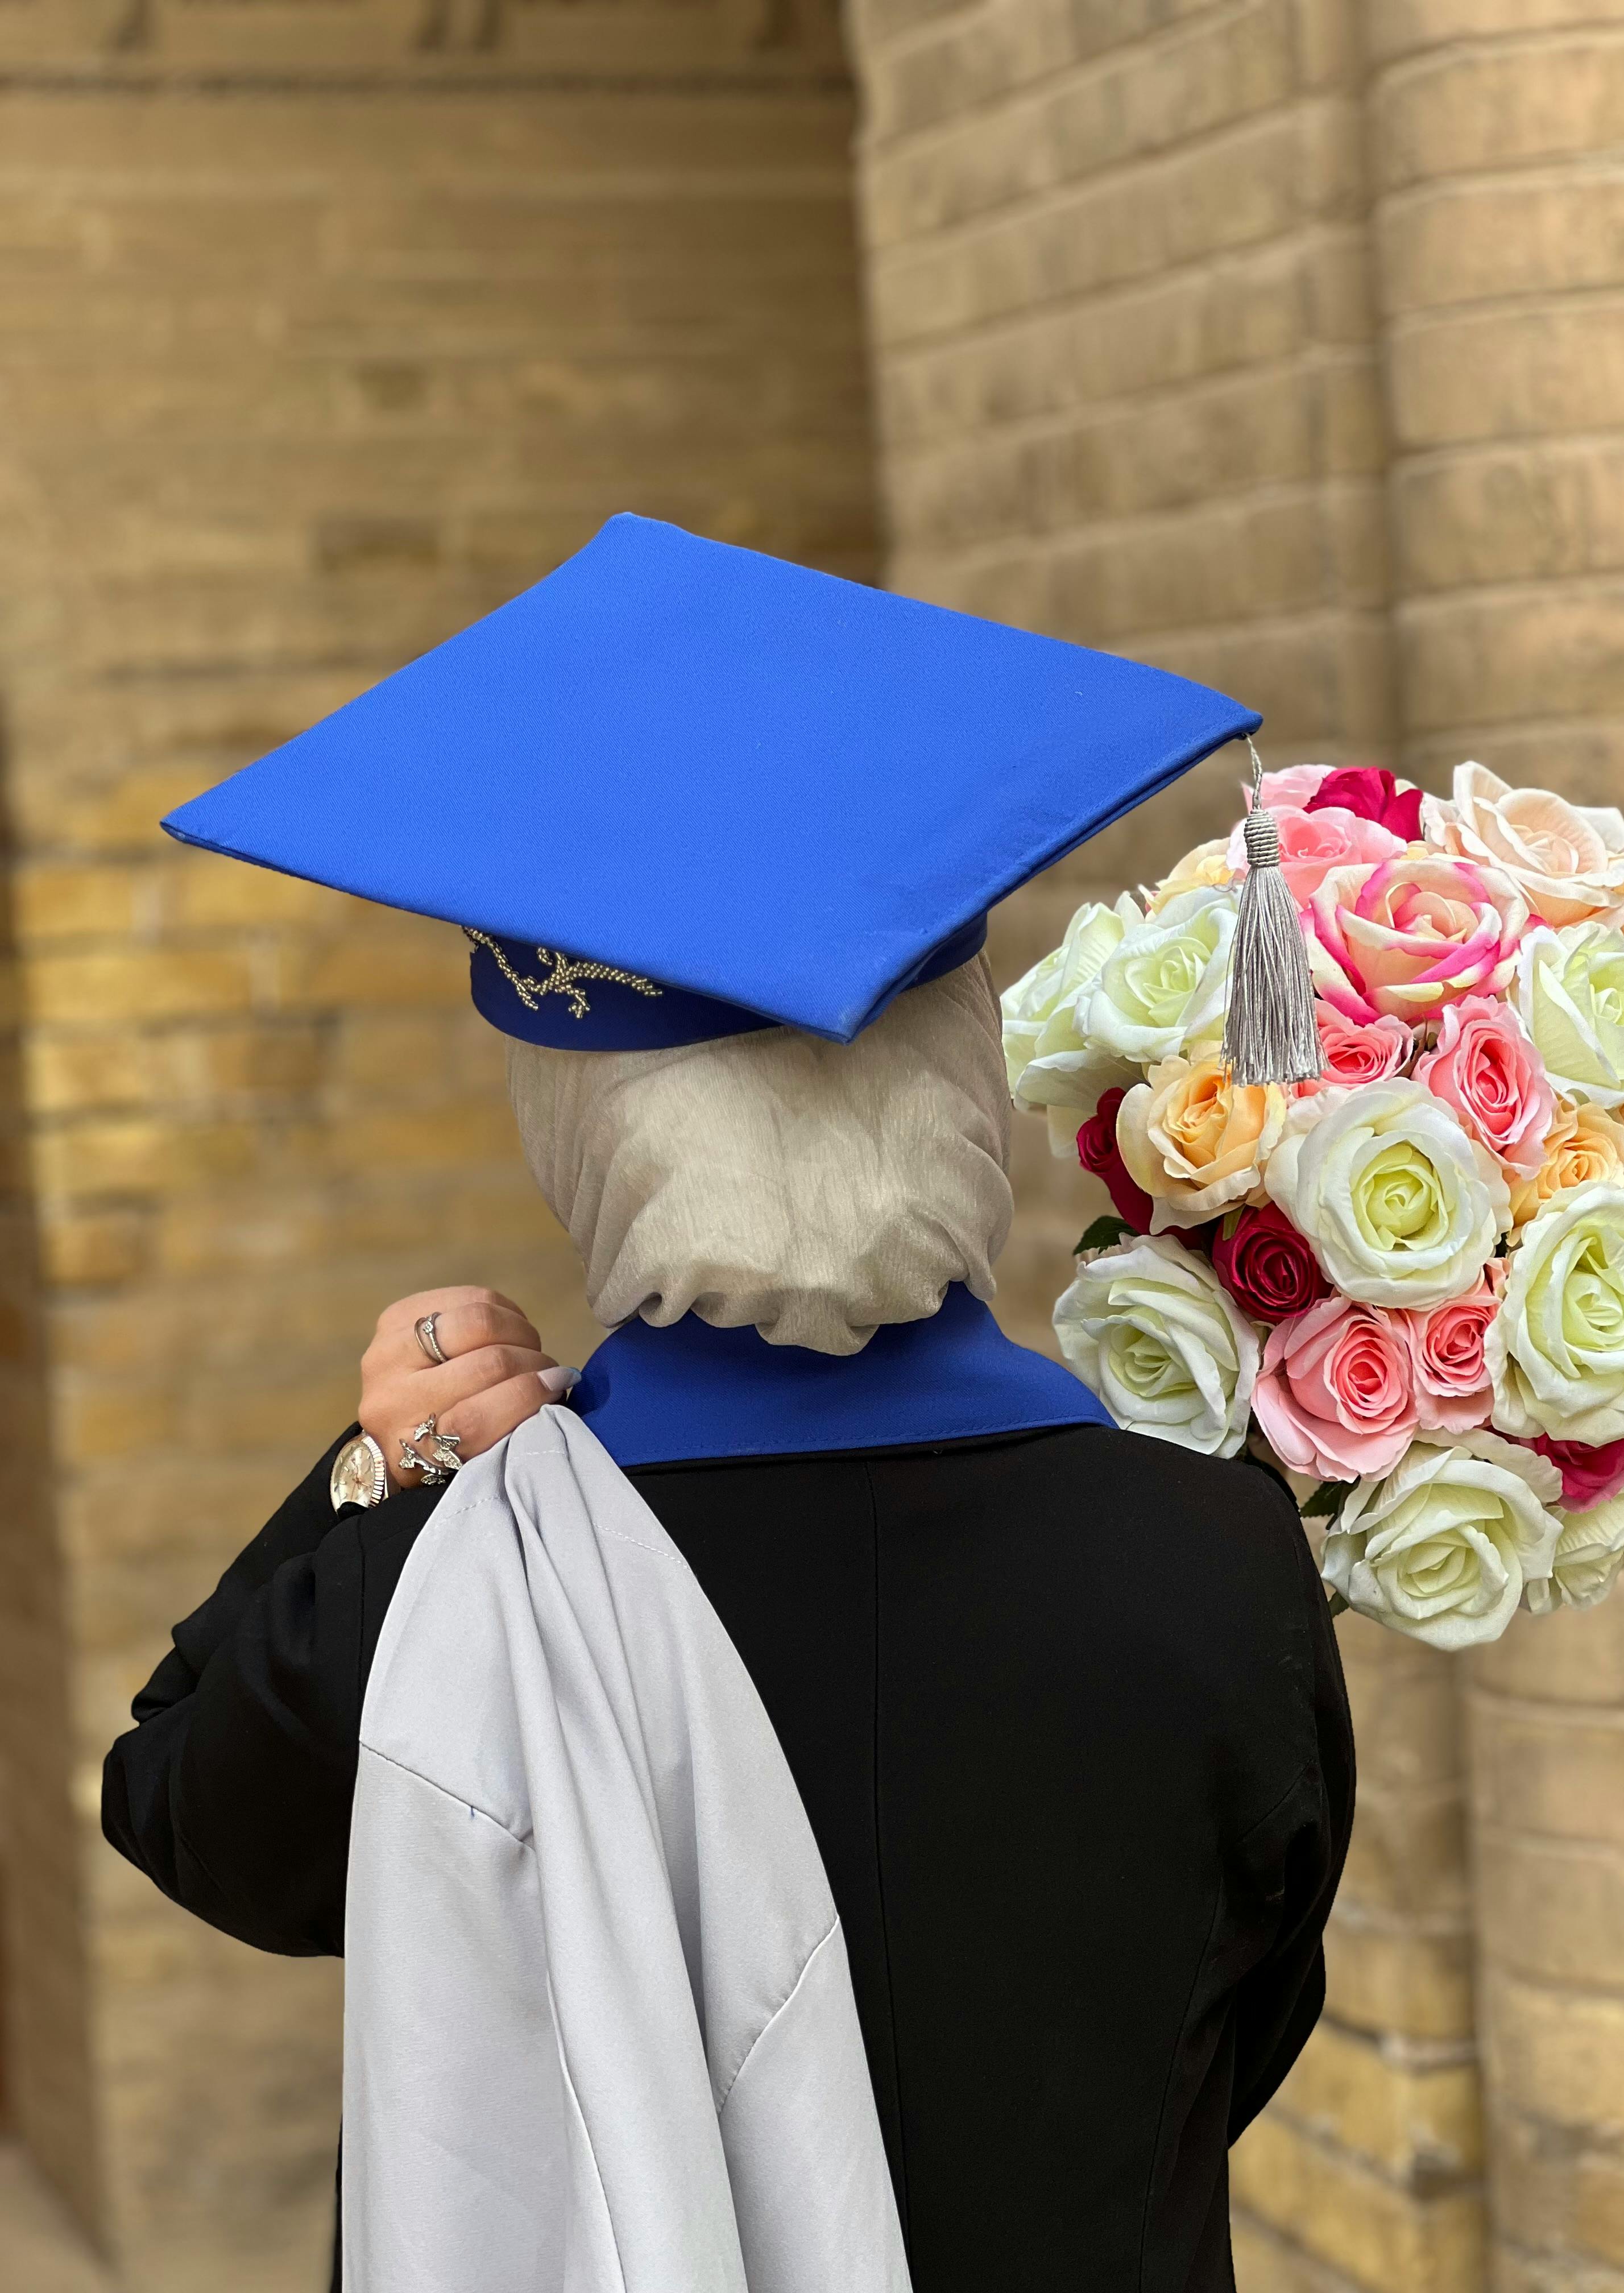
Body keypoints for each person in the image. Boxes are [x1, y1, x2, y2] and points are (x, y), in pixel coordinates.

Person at [103, 515, 1353, 2290]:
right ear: (956, 1070)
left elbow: (186, 1811)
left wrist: (382, 1466)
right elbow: (1248, 2008)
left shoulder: (434, 1592)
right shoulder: (1211, 1549)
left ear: (581, 1123)